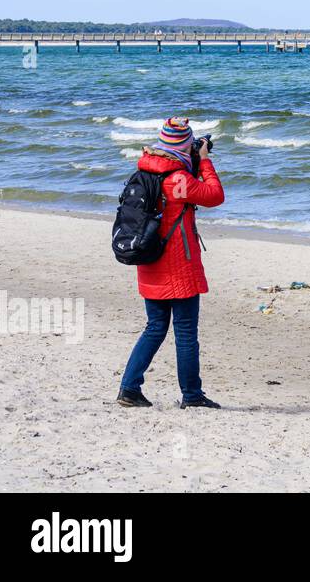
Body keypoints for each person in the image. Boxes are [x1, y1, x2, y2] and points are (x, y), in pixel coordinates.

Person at [117, 117, 225, 409]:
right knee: (186, 332)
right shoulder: (179, 179)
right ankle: (191, 395)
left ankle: (129, 388)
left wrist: (191, 157)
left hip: (149, 260)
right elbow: (215, 195)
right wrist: (203, 160)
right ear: (185, 145)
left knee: (154, 327)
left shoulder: (145, 171)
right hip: (178, 266)